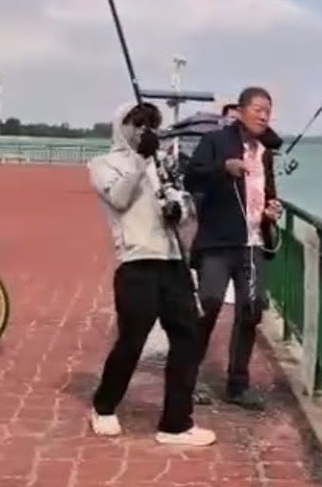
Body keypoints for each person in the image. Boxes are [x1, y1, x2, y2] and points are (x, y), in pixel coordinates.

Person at [86, 101, 216, 446]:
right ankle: (103, 406)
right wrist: (141, 160)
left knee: (188, 338)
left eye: (150, 124)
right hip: (136, 263)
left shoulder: (163, 163)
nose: (144, 130)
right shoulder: (102, 164)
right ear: (122, 125)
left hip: (172, 260)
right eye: (137, 123)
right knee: (132, 341)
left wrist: (178, 210)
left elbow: (184, 206)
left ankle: (176, 423)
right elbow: (119, 199)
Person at [183, 86, 283, 410]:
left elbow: (267, 192)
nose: (264, 116)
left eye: (268, 111)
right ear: (240, 111)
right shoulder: (216, 142)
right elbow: (191, 178)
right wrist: (223, 169)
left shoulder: (265, 152)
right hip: (217, 241)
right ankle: (187, 377)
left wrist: (271, 209)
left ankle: (237, 384)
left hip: (253, 243)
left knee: (251, 310)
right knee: (209, 304)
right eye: (257, 109)